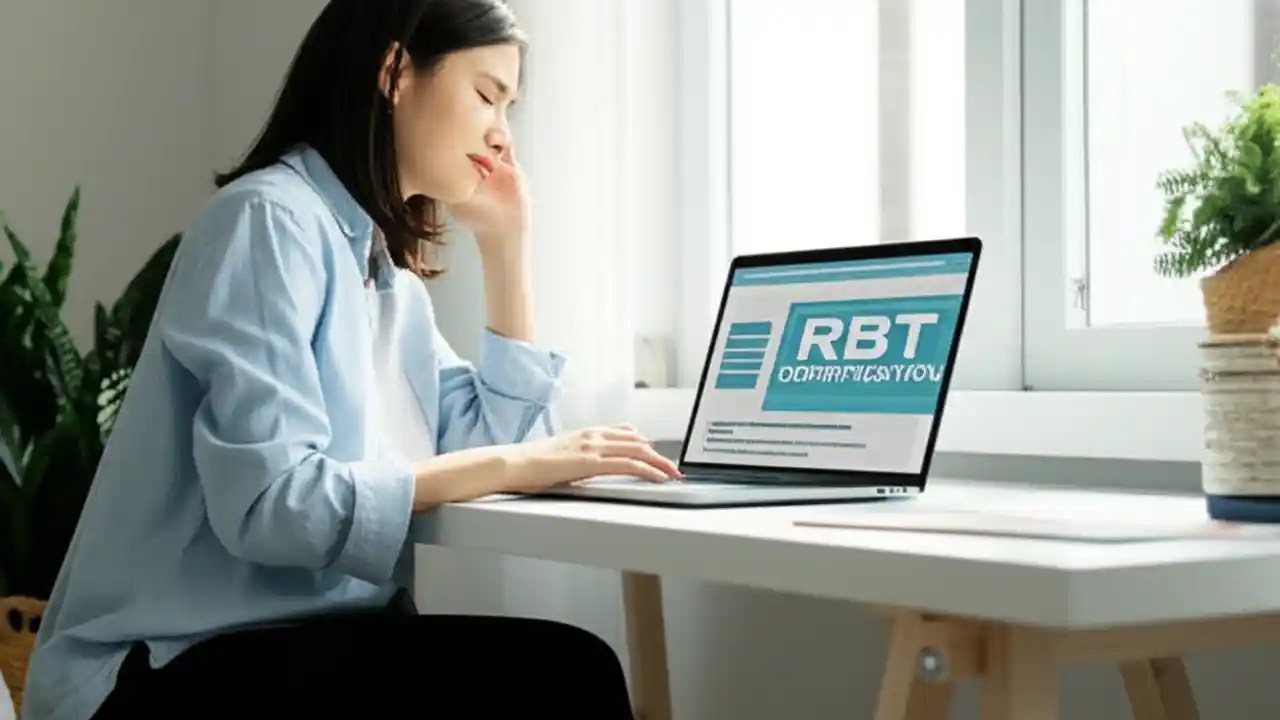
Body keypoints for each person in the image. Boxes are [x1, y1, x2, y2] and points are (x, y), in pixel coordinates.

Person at [22, 1, 681, 718]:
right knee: (564, 676)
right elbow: (272, 508)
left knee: (560, 669)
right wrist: (525, 463)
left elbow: (494, 450)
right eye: (488, 95)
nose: (501, 132)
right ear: (396, 71)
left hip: (301, 644)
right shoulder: (269, 222)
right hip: (165, 664)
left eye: (510, 107)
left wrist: (505, 248)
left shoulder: (383, 278)